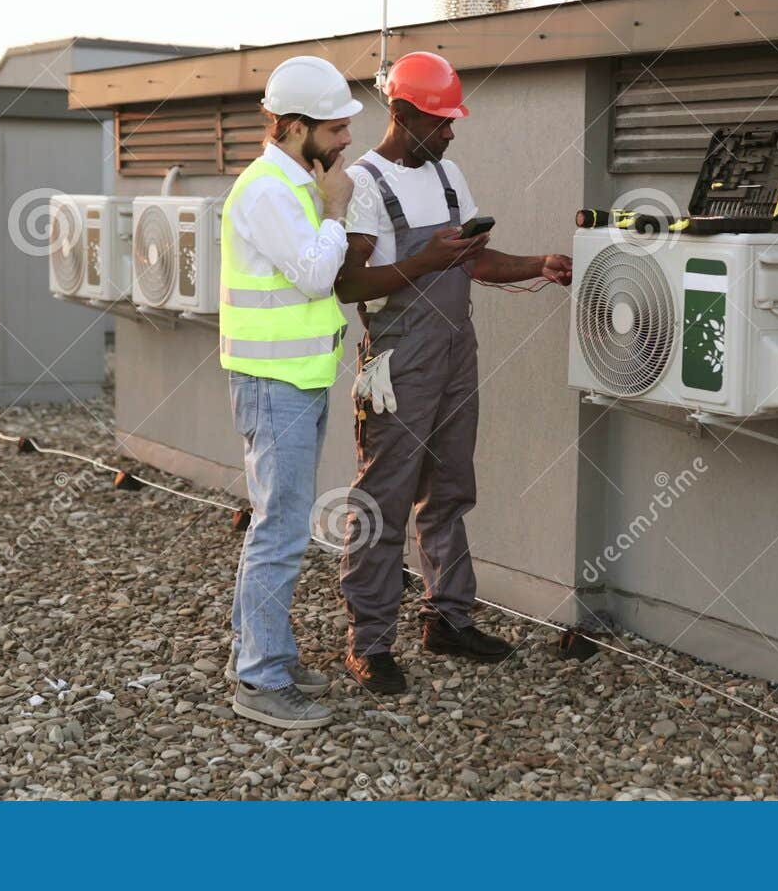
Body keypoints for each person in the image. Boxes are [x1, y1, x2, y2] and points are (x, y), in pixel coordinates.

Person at [334, 51, 573, 695]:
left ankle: (447, 617)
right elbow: (348, 282)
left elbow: (474, 262)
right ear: (403, 112)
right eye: (440, 121)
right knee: (383, 495)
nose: (450, 132)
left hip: (454, 350)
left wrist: (537, 264)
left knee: (449, 484)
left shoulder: (447, 176)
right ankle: (371, 642)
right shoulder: (362, 184)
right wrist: (426, 259)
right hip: (398, 357)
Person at [221, 55, 361, 729]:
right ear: (297, 126)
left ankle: (263, 652)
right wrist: (336, 212)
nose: (346, 142)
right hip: (277, 382)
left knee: (279, 524)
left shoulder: (290, 183)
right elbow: (312, 276)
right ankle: (260, 679)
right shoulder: (272, 192)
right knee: (279, 528)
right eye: (336, 129)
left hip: (295, 377)